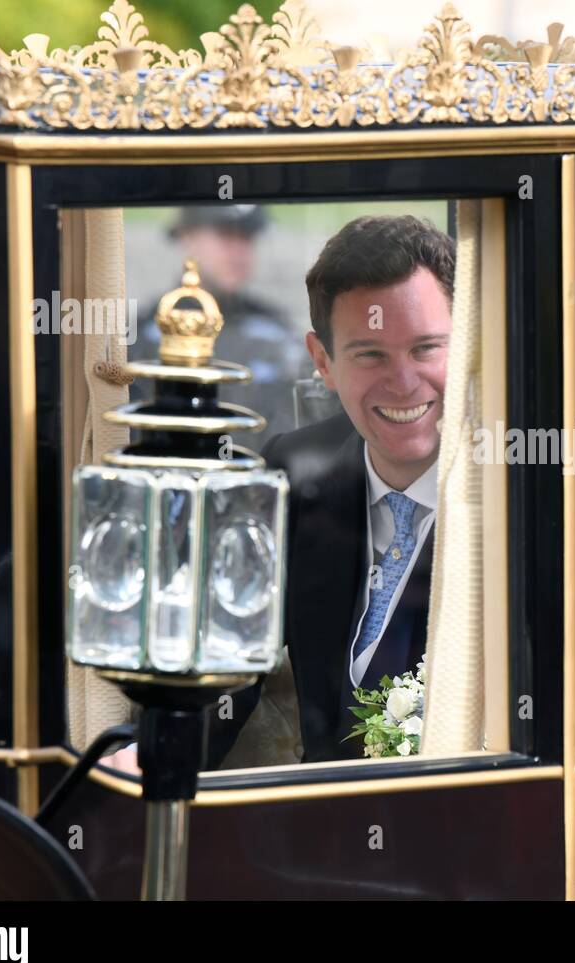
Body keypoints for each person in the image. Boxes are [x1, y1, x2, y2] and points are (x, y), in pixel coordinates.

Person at [208, 214, 454, 766]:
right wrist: (150, 766)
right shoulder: (292, 471)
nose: (403, 382)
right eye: (370, 354)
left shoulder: (522, 495)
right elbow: (229, 674)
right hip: (320, 826)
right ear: (324, 361)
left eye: (425, 349)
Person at [130, 204, 315, 435]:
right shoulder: (142, 338)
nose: (238, 252)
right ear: (187, 237)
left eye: (246, 237)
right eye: (225, 235)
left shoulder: (280, 335)